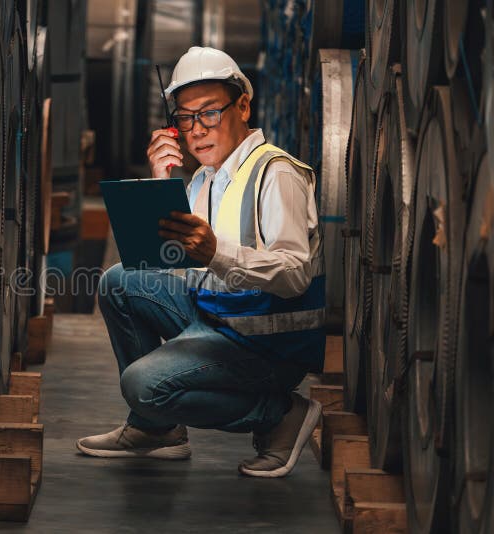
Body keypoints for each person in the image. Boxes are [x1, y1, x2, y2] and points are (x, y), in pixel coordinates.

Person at [76, 46, 325, 477]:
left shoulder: (276, 174)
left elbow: (296, 274)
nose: (196, 130)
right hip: (217, 320)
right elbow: (165, 264)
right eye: (185, 118)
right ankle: (157, 430)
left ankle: (280, 414)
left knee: (142, 384)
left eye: (209, 113)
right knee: (119, 281)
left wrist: (216, 252)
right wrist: (160, 184)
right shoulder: (204, 181)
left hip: (265, 346)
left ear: (243, 106)